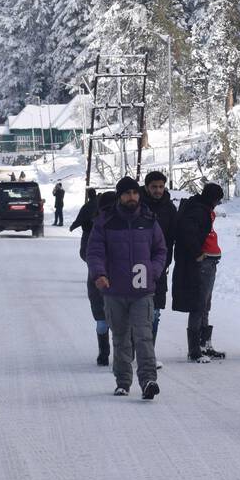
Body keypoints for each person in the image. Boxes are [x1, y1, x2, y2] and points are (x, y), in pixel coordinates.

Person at [86, 177, 167, 399]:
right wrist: (99, 274)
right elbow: (95, 252)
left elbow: (161, 250)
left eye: (135, 193)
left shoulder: (149, 220)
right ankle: (122, 381)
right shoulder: (106, 221)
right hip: (114, 291)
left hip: (142, 291)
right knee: (121, 338)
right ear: (120, 196)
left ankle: (148, 380)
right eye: (127, 194)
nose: (132, 197)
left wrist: (154, 270)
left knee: (143, 336)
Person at [172, 182, 226, 362]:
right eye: (218, 200)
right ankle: (195, 350)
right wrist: (198, 253)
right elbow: (187, 233)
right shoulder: (198, 210)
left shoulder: (199, 207)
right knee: (199, 304)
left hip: (209, 261)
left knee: (204, 304)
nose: (217, 204)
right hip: (203, 263)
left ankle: (203, 345)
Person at [73, 189, 118, 366]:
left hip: (115, 279)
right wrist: (99, 266)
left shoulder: (125, 225)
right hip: (98, 279)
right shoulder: (93, 226)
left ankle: (118, 353)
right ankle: (104, 352)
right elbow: (86, 253)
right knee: (102, 319)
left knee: (118, 319)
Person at [140, 171, 178, 342]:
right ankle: (133, 349)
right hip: (136, 265)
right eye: (154, 187)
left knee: (155, 311)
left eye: (161, 187)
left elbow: (173, 236)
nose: (158, 190)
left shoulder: (169, 208)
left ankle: (149, 352)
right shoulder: (137, 205)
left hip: (160, 266)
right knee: (137, 311)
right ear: (147, 187)